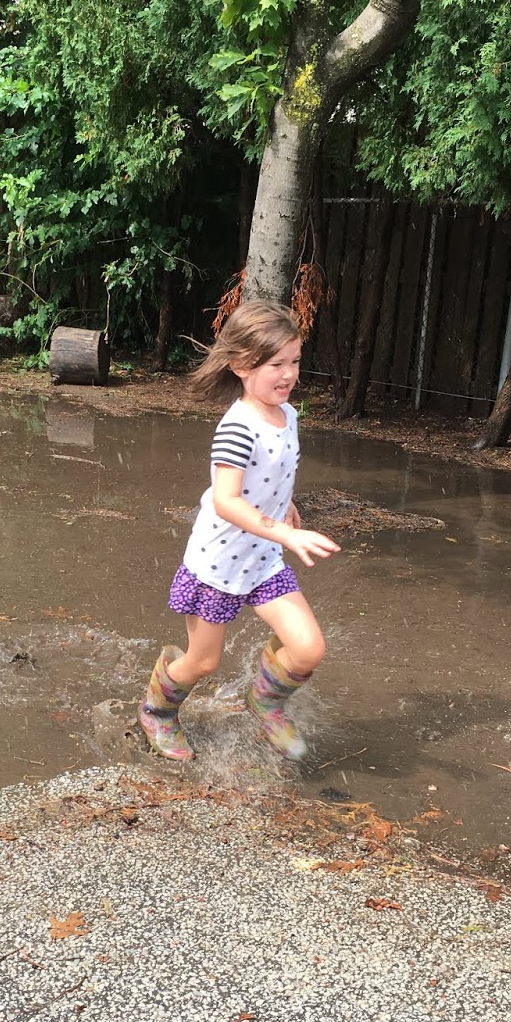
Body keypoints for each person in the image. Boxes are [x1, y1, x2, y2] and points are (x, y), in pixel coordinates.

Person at [138, 299, 341, 763]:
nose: (288, 374)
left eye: (294, 362)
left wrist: (284, 503)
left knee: (308, 649)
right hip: (219, 562)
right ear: (241, 365)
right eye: (276, 364)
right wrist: (285, 534)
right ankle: (158, 711)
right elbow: (227, 500)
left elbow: (273, 472)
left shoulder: (287, 415)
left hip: (263, 560)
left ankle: (266, 701)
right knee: (204, 662)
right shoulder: (238, 427)